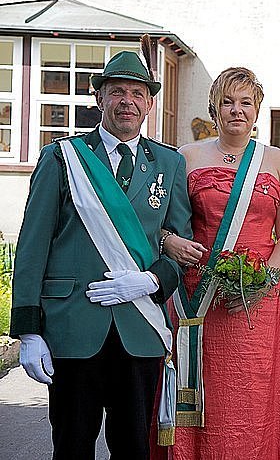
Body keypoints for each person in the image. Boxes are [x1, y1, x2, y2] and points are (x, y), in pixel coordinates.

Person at [9, 37, 192, 459]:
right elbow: (33, 246)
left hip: (139, 327)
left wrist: (149, 280)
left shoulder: (170, 164)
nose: (127, 101)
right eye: (117, 91)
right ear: (99, 97)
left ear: (149, 104)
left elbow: (179, 248)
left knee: (133, 447)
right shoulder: (63, 157)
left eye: (137, 93)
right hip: (74, 326)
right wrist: (29, 330)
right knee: (72, 445)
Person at [155, 67, 280, 458]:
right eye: (227, 101)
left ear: (257, 110)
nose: (236, 110)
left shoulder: (275, 160)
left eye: (246, 102)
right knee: (202, 389)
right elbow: (163, 224)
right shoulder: (186, 157)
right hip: (198, 297)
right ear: (214, 108)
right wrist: (171, 242)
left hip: (259, 297)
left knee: (254, 395)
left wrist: (266, 277)